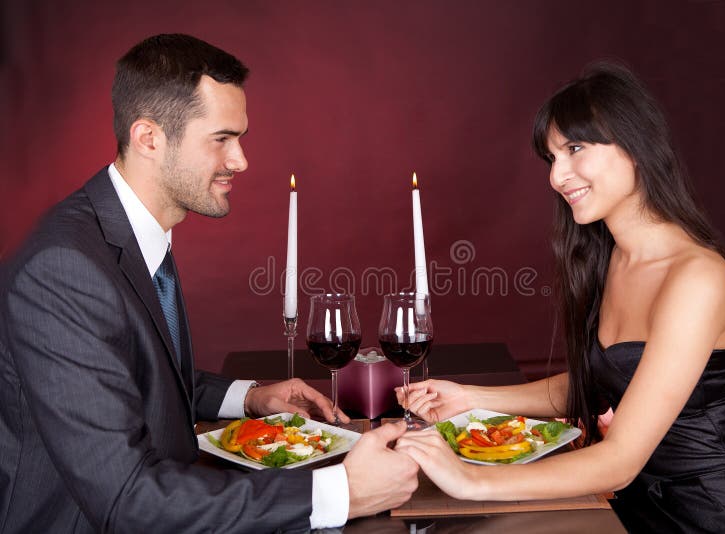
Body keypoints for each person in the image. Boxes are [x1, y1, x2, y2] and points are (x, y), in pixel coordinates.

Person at [0, 33, 417, 533]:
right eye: (222, 139)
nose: (241, 160)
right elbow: (126, 500)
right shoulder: (63, 270)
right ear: (149, 138)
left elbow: (129, 374)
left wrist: (250, 398)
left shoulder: (128, 235)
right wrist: (341, 491)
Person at [394, 63, 725, 533]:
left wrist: (469, 480)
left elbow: (619, 460)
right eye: (552, 158)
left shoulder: (697, 278)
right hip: (631, 507)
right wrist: (469, 399)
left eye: (575, 149)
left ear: (637, 147)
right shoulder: (612, 258)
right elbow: (601, 378)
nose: (559, 176)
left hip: (713, 517)